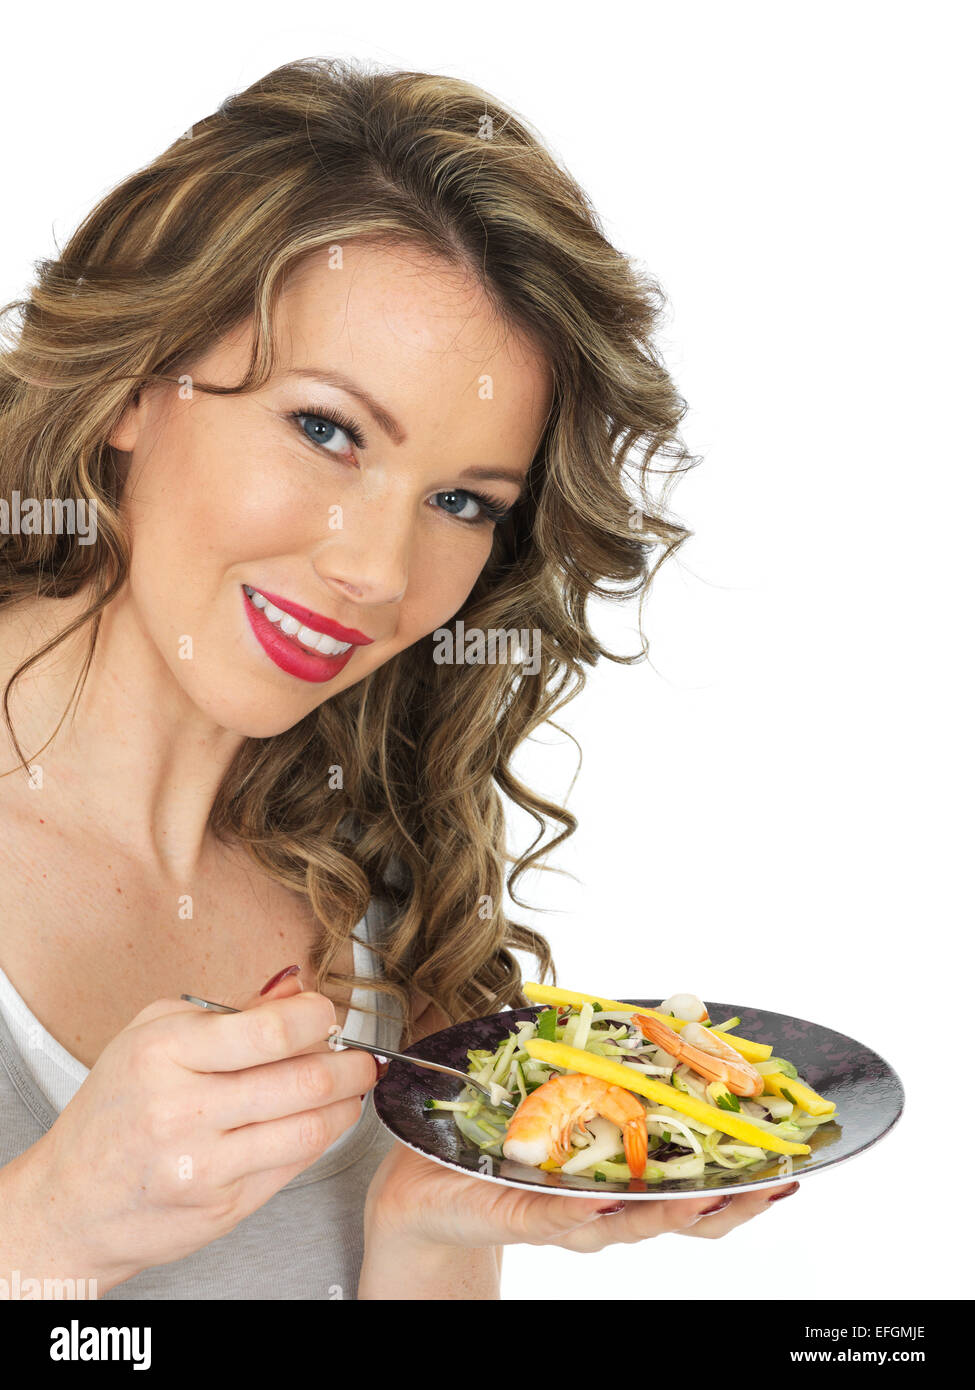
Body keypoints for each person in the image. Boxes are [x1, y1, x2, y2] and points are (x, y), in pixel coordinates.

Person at [0, 56, 798, 1302]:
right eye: (327, 430)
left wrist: (423, 1231)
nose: (377, 571)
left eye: (461, 502)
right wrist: (46, 1225)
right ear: (135, 383)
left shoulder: (385, 877)